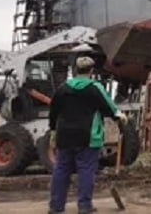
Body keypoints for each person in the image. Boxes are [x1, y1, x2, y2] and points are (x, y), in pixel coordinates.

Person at [48, 56, 121, 214]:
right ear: (91, 71)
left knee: (61, 169)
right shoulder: (95, 88)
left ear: (75, 70)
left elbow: (53, 112)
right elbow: (110, 108)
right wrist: (120, 118)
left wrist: (53, 131)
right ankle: (84, 206)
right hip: (87, 137)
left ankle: (55, 207)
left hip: (64, 136)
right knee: (86, 170)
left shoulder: (63, 88)